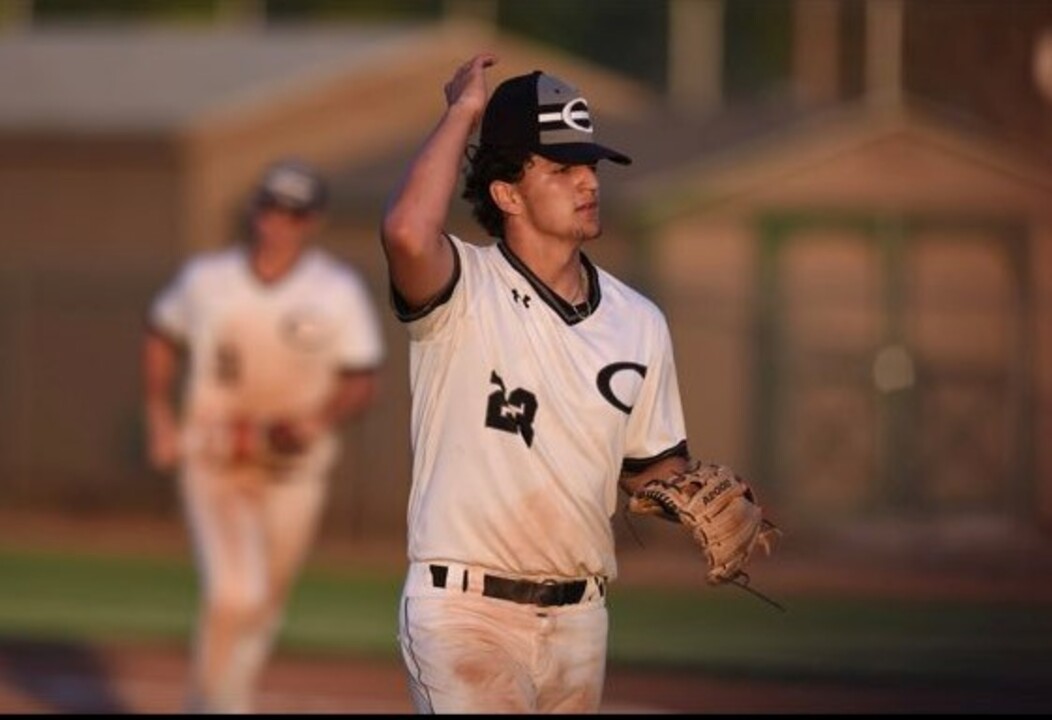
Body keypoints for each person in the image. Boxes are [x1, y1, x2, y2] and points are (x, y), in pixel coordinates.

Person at [380, 53, 693, 713]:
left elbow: (652, 465)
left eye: (590, 166)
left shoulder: (639, 322)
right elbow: (407, 232)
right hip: (465, 613)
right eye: (562, 168)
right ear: (507, 193)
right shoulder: (462, 290)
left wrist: (687, 497)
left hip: (582, 621)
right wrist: (463, 112)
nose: (587, 182)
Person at [141, 158, 386, 713]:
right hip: (215, 453)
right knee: (236, 592)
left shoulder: (334, 290)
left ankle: (221, 697)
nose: (279, 223)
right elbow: (161, 332)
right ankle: (215, 705)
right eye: (272, 209)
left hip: (294, 464)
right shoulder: (209, 280)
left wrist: (318, 420)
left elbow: (361, 378)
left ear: (313, 221)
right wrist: (159, 413)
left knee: (267, 599)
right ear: (256, 211)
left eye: (294, 214)